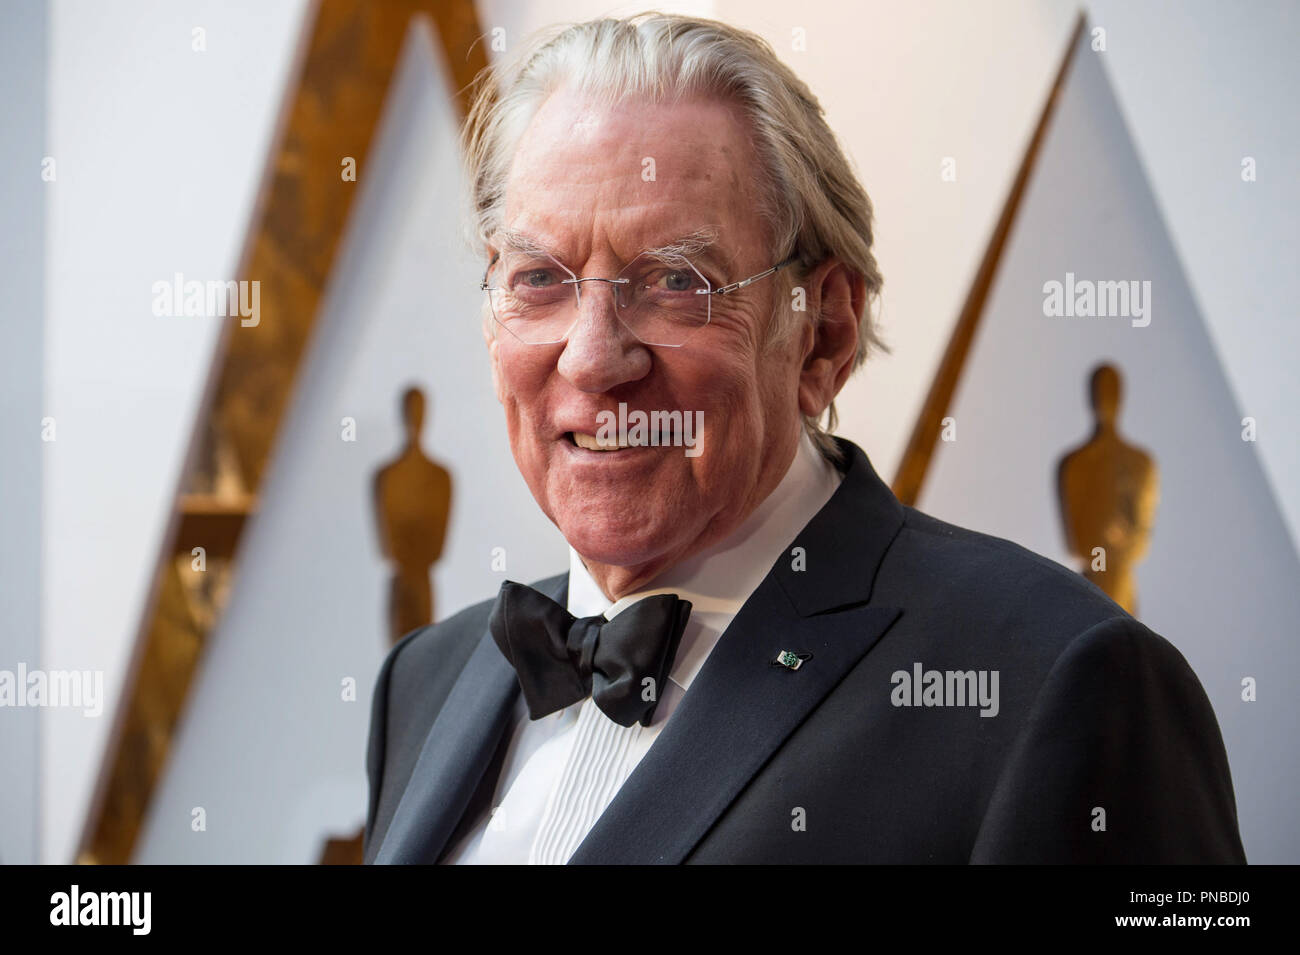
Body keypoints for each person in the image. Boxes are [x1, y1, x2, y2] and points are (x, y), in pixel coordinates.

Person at [363, 12, 1245, 864]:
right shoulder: (426, 682)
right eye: (539, 277)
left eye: (677, 280)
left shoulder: (1056, 685)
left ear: (822, 331)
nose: (593, 358)